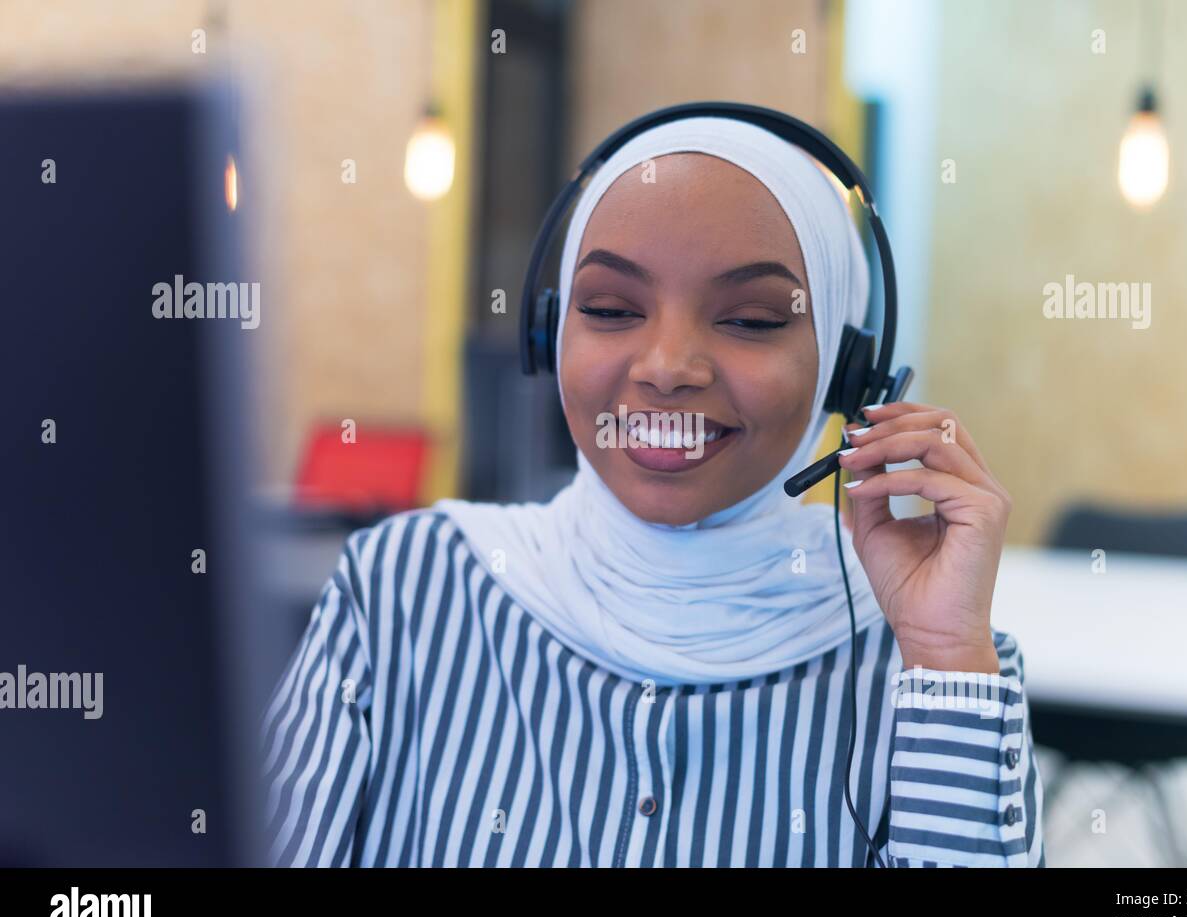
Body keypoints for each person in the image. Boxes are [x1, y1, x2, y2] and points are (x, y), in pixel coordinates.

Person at [260, 115, 1044, 867]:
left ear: (846, 373)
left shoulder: (935, 660)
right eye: (608, 309)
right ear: (549, 333)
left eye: (750, 319)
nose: (669, 365)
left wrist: (945, 657)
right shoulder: (398, 590)